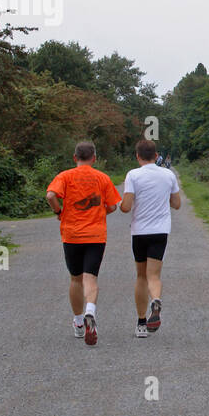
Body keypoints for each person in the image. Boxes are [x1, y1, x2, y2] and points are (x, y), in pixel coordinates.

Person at [46, 140, 121, 346]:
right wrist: (99, 212)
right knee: (91, 279)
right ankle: (90, 311)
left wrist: (58, 211)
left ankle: (79, 323)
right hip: (96, 236)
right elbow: (113, 206)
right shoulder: (102, 178)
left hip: (71, 235)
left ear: (75, 157)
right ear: (94, 158)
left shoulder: (65, 176)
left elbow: (51, 195)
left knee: (75, 279)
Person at [119, 138, 181, 338]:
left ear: (137, 156)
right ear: (156, 156)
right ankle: (156, 299)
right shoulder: (168, 174)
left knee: (141, 276)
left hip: (140, 232)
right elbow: (177, 204)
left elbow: (126, 207)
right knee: (154, 275)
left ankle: (141, 323)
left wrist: (122, 203)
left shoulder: (133, 175)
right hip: (160, 231)